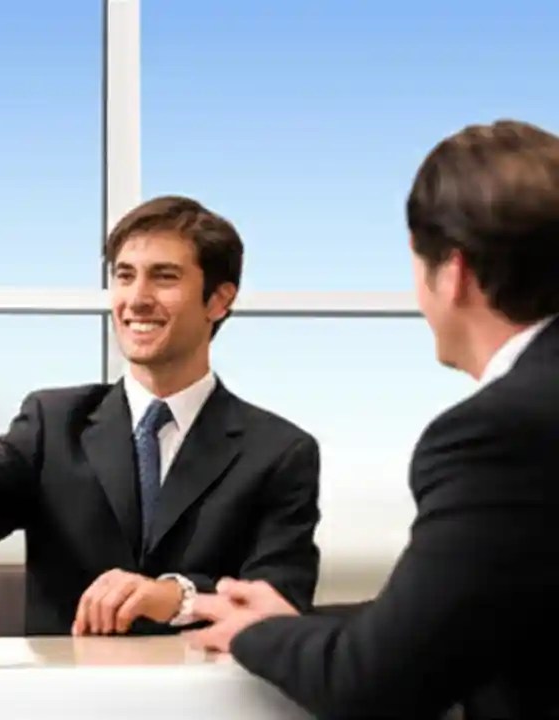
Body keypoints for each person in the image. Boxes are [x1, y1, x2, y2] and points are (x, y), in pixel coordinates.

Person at [0, 195, 323, 636]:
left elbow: (280, 600)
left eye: (164, 277)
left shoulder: (279, 453)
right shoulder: (53, 422)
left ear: (218, 300)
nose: (135, 299)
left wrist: (175, 596)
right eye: (124, 276)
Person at [186, 120, 559, 720]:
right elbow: (466, 607)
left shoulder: (500, 431)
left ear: (454, 273)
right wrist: (296, 624)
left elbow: (375, 682)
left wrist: (248, 633)